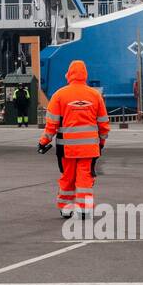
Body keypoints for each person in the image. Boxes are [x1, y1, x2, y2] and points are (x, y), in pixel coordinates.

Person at [38, 59, 110, 217]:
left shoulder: (59, 95)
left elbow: (52, 125)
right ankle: (84, 209)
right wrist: (101, 141)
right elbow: (104, 124)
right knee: (85, 177)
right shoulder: (95, 95)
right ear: (85, 75)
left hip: (66, 148)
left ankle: (66, 208)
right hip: (90, 148)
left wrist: (43, 142)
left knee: (67, 177)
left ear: (68, 75)